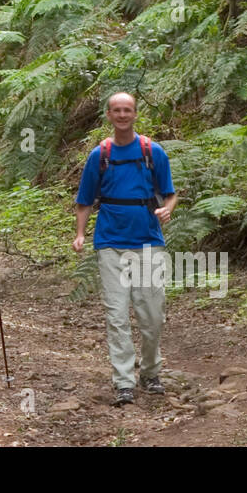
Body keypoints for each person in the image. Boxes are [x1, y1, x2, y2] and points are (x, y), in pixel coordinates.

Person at [72, 92, 178, 406]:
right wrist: (80, 234)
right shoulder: (99, 155)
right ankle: (123, 381)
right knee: (116, 315)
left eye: (127, 110)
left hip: (148, 242)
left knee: (152, 315)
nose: (122, 115)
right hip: (109, 244)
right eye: (116, 110)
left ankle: (150, 371)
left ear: (134, 114)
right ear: (108, 114)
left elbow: (170, 194)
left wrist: (167, 209)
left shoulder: (152, 151)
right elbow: (85, 200)